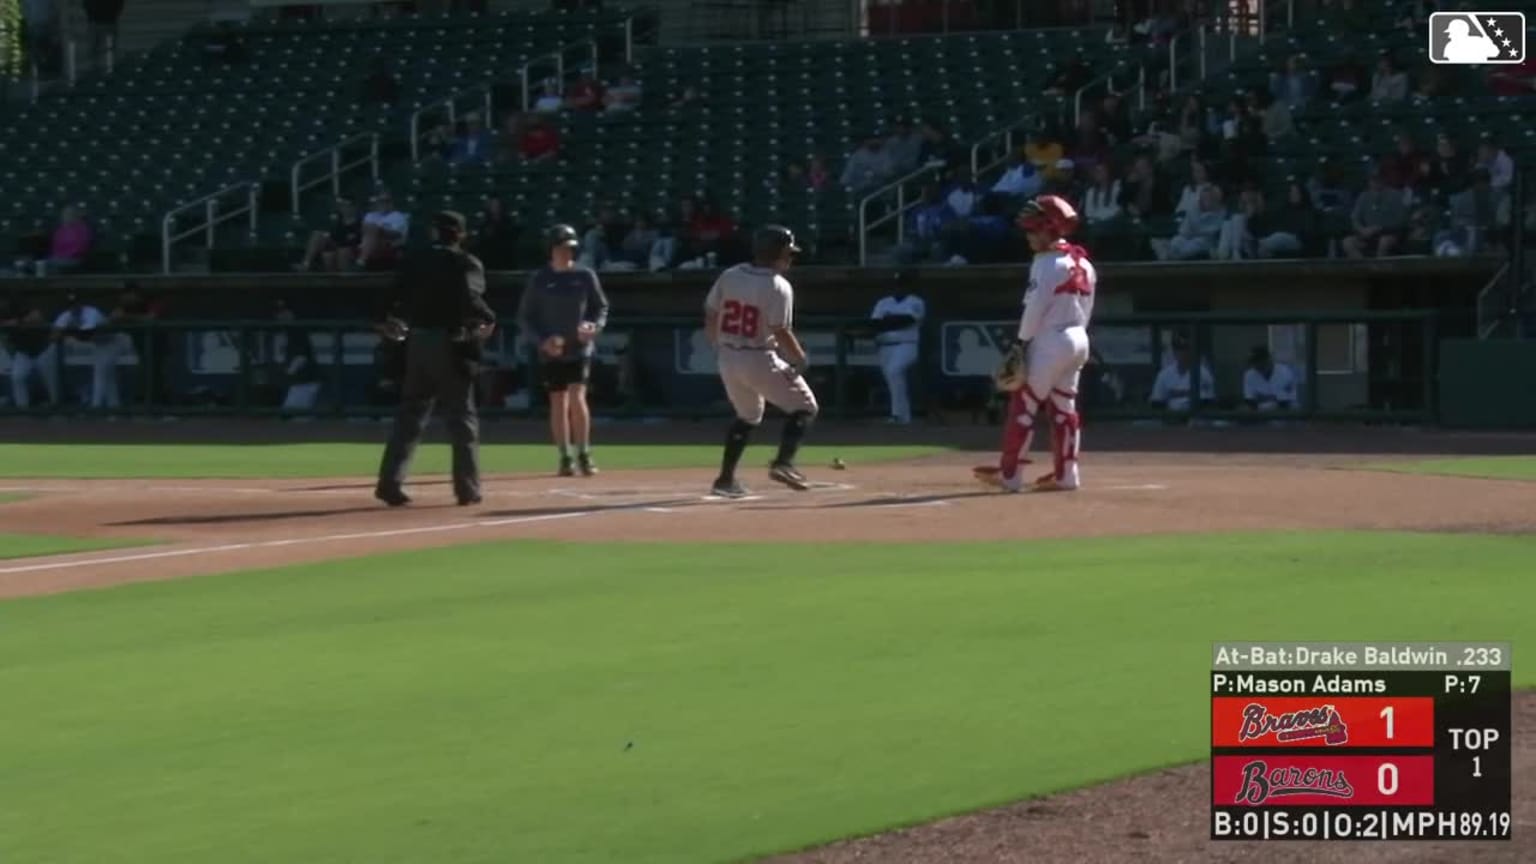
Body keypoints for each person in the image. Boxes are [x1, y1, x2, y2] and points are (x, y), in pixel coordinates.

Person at [374, 212, 497, 508]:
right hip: (450, 344)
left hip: (417, 343)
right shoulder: (464, 262)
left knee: (410, 416)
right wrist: (488, 317)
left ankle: (390, 483)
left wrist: (387, 320)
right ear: (461, 235)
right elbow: (471, 297)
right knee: (462, 420)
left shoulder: (415, 259)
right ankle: (467, 489)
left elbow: (390, 296)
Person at [973, 195, 1095, 493]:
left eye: (1033, 230)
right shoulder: (1085, 263)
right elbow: (1088, 310)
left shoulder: (1046, 263)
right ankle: (1067, 474)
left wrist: (1020, 344)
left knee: (1024, 405)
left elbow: (1034, 308)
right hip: (1079, 338)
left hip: (1050, 339)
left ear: (1048, 229)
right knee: (1065, 407)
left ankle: (1010, 474)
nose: (1029, 236)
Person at [703, 225, 818, 498]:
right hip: (758, 356)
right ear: (776, 253)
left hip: (728, 357)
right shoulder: (778, 285)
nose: (790, 259)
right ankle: (784, 463)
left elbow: (710, 314)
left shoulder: (730, 275)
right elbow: (780, 330)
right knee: (805, 407)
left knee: (747, 416)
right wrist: (800, 359)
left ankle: (725, 480)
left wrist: (718, 346)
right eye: (787, 253)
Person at [516, 224, 610, 477]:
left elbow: (600, 307)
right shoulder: (539, 279)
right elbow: (526, 318)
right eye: (562, 248)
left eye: (570, 248)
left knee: (578, 396)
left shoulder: (585, 275)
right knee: (558, 400)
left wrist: (593, 326)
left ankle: (584, 452)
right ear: (551, 250)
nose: (567, 253)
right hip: (551, 351)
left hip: (579, 348)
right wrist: (542, 341)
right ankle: (565, 455)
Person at [868, 270, 925, 424]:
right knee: (892, 380)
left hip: (907, 345)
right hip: (885, 346)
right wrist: (893, 321)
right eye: (896, 284)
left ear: (909, 286)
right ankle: (902, 416)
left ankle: (898, 415)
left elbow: (908, 320)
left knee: (894, 371)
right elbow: (875, 323)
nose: (899, 287)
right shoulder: (883, 302)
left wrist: (889, 320)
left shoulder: (916, 301)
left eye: (902, 284)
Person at [3, 296, 60, 409]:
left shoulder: (25, 309)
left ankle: (56, 406)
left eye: (3, 302)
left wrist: (19, 322)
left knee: (50, 381)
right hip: (23, 352)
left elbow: (37, 316)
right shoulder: (5, 315)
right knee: (17, 377)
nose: (2, 305)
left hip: (42, 350)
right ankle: (22, 407)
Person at [1242, 346, 1298, 412]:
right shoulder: (1249, 374)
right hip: (1259, 415)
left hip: (1285, 414)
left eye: (1260, 361)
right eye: (1254, 362)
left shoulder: (1285, 372)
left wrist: (1263, 398)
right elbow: (1249, 401)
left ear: (1269, 359)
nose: (1257, 365)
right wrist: (1273, 398)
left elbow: (1285, 402)